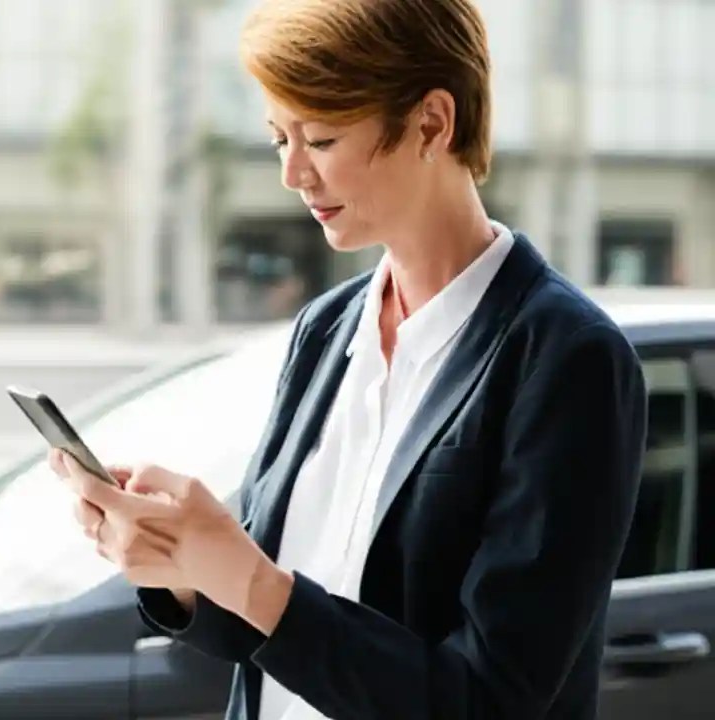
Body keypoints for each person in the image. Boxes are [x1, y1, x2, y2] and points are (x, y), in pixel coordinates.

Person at [49, 1, 647, 718]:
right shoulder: (327, 330)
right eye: (279, 139)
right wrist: (178, 563)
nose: (292, 173)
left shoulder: (567, 357)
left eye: (321, 139)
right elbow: (267, 630)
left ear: (432, 123)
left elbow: (488, 701)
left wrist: (245, 577)